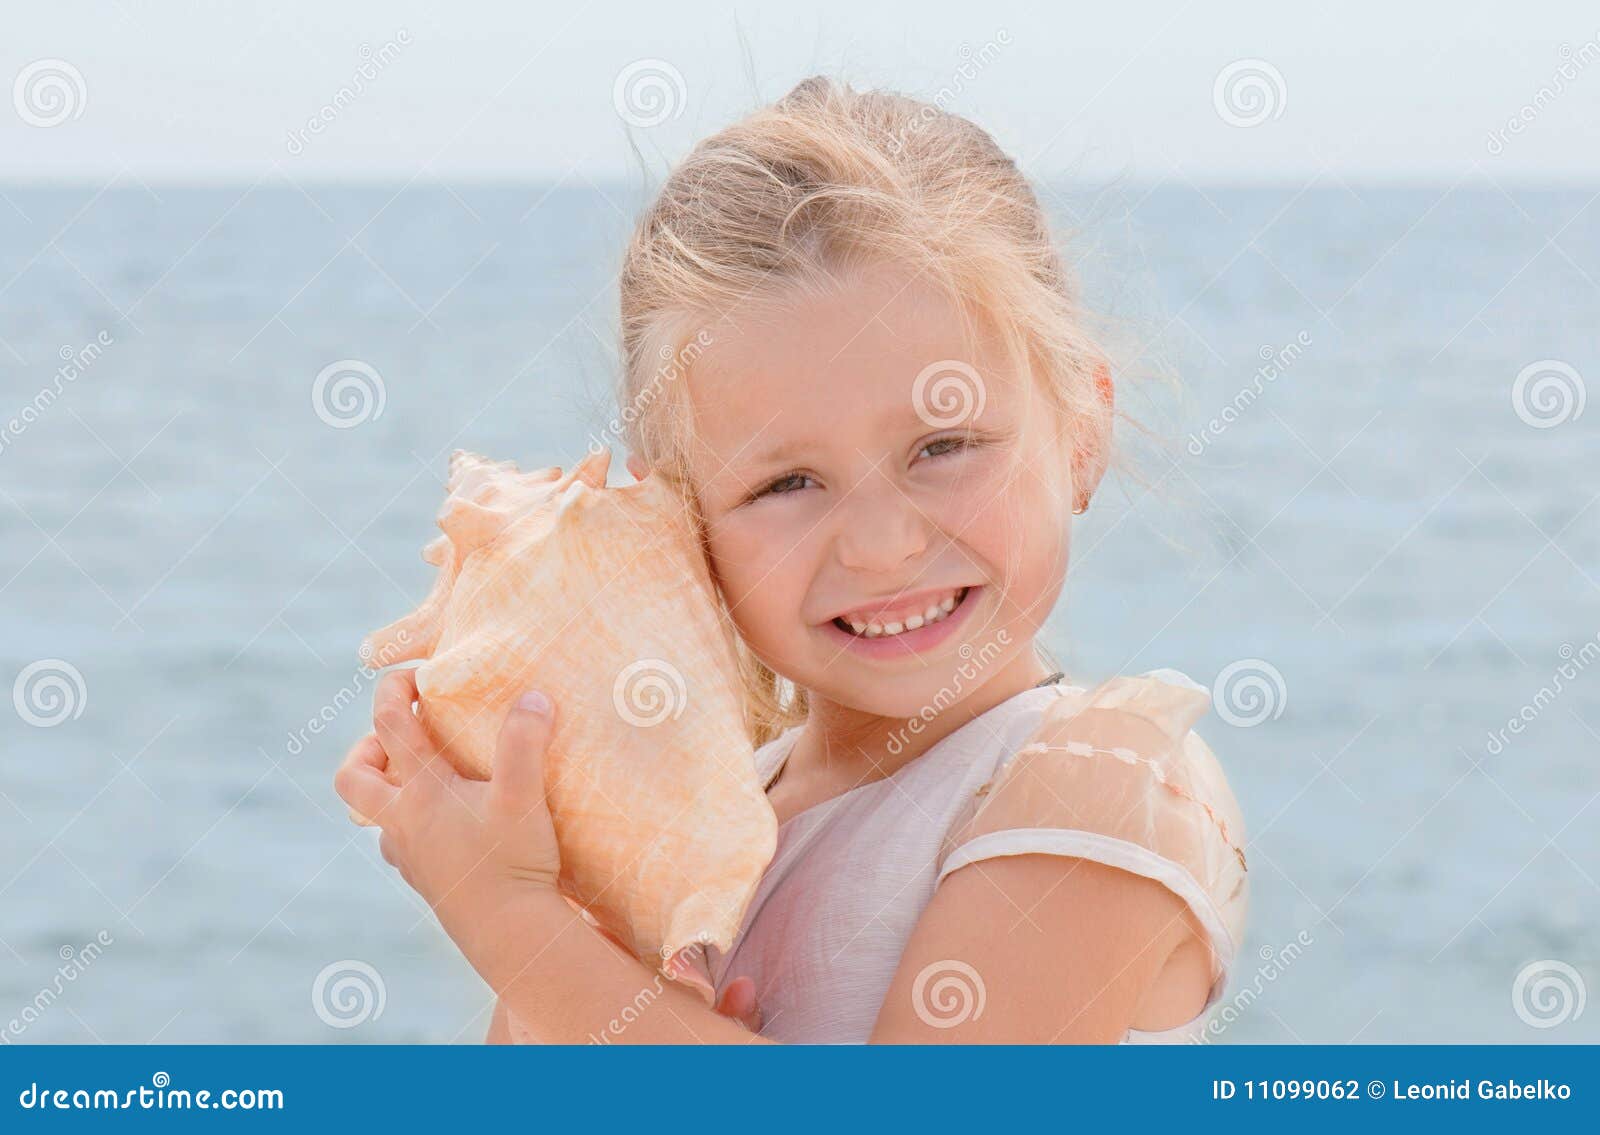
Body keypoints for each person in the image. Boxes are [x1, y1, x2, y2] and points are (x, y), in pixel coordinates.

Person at [335, 75, 1248, 1044]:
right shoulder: (700, 845)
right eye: (786, 484)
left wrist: (510, 926)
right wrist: (564, 927)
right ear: (676, 524)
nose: (881, 542)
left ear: (1080, 429)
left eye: (942, 447)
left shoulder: (1104, 784)